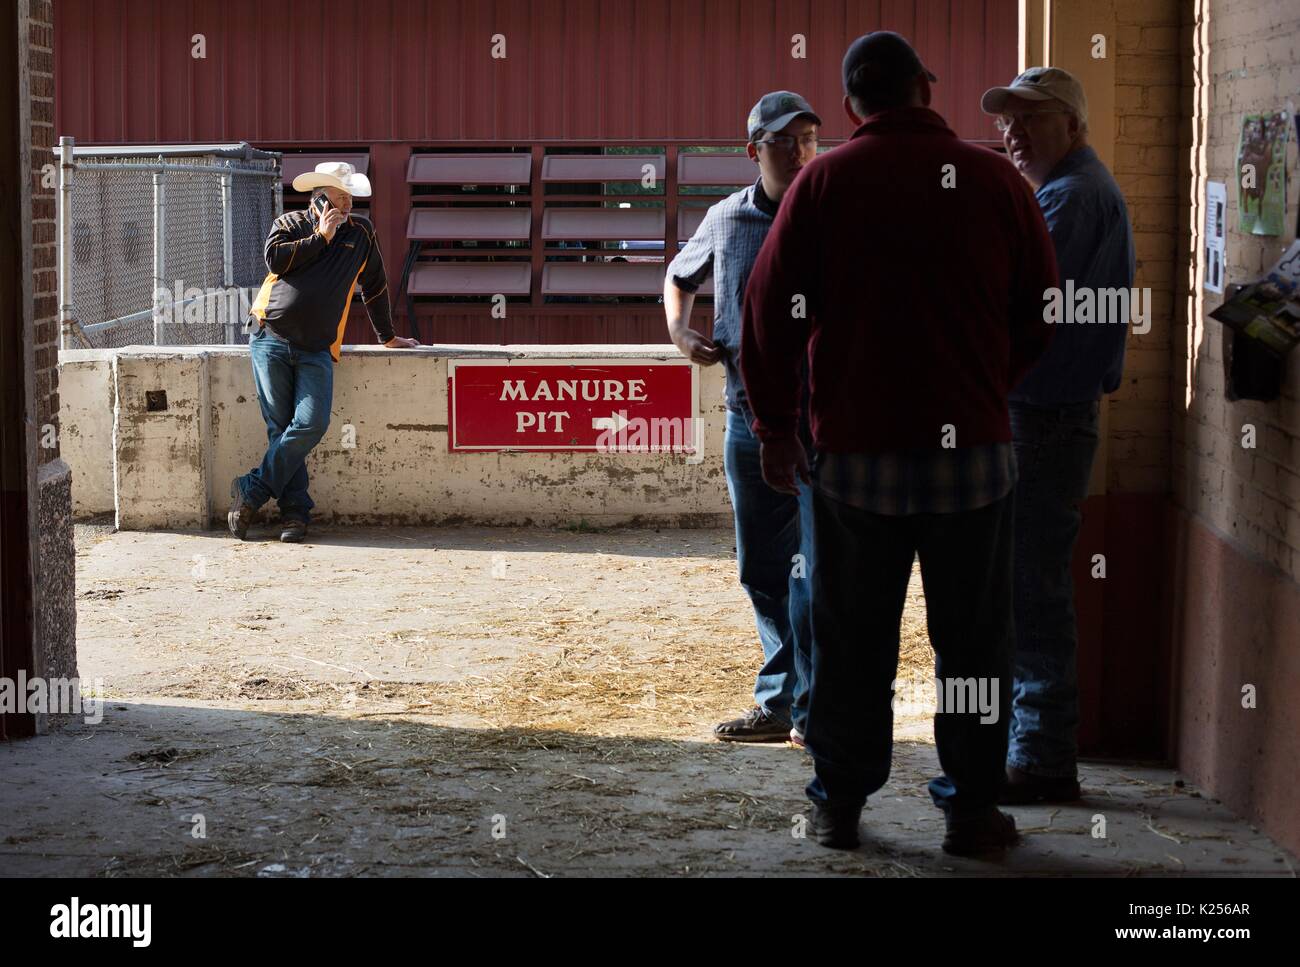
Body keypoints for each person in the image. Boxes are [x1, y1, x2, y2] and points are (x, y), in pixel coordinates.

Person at [741, 33, 1057, 855]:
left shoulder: (822, 185)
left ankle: (840, 806)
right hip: (977, 463)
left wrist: (777, 429)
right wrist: (987, 384)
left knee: (851, 645)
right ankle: (972, 810)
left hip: (854, 461)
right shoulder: (994, 180)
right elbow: (1044, 310)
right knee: (977, 646)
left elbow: (764, 316)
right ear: (926, 87)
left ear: (851, 106)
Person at [981, 68, 1135, 803]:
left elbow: (1009, 296)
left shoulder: (1069, 200)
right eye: (1008, 120)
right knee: (1029, 581)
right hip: (1054, 412)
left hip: (1043, 414)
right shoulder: (1074, 191)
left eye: (1031, 118)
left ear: (1072, 126)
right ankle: (1033, 749)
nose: (1012, 132)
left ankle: (1041, 759)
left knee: (1028, 586)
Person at [664, 92, 821, 746]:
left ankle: (811, 707)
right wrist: (679, 330)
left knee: (816, 571)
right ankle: (783, 699)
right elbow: (680, 274)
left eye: (809, 137)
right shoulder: (726, 219)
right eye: (784, 140)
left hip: (823, 424)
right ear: (752, 148)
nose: (799, 150)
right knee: (762, 568)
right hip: (746, 419)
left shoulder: (833, 215)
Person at [228, 162, 419, 543]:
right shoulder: (290, 224)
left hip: (317, 347)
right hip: (270, 337)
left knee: (311, 424)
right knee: (279, 429)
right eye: (340, 195)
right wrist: (321, 237)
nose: (348, 202)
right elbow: (275, 261)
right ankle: (295, 514)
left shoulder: (362, 232)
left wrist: (388, 337)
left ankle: (251, 488)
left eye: (350, 195)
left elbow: (376, 284)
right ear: (319, 197)